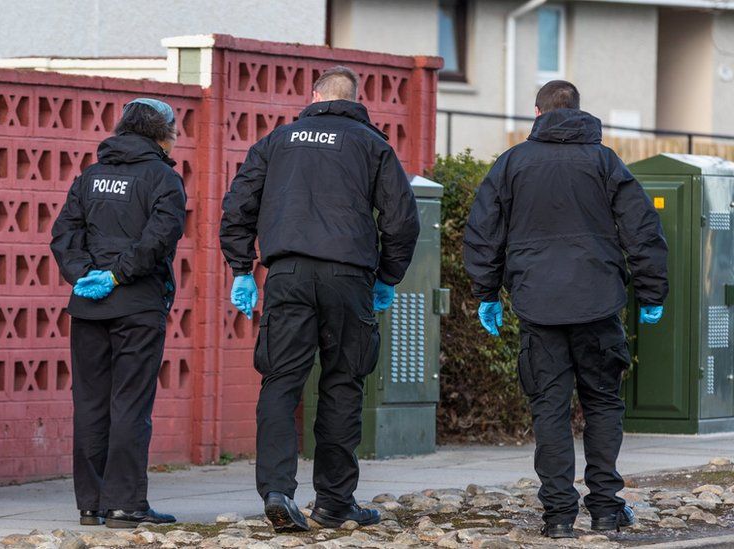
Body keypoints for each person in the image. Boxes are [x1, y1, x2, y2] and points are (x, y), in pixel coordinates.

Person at [463, 80, 668, 539]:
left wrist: (487, 293)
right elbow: (642, 228)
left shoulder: (512, 163)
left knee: (549, 408)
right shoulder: (605, 161)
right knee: (603, 403)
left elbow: (483, 232)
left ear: (537, 113)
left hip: (539, 306)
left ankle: (558, 516)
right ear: (577, 110)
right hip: (598, 303)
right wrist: (652, 293)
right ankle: (606, 509)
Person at [219, 66, 420, 532]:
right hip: (348, 276)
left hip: (286, 273)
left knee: (280, 380)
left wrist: (241, 269)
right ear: (356, 100)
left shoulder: (276, 141)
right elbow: (401, 219)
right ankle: (334, 502)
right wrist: (388, 276)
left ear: (313, 96)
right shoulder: (372, 145)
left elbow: (237, 207)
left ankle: (277, 493)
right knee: (343, 382)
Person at [51, 98, 186, 529]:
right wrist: (119, 274)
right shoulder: (163, 178)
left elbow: (64, 234)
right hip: (137, 306)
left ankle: (91, 505)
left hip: (89, 306)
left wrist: (83, 274)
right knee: (130, 403)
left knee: (90, 403)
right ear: (162, 134)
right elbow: (159, 238)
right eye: (175, 131)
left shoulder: (91, 177)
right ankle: (126, 505)